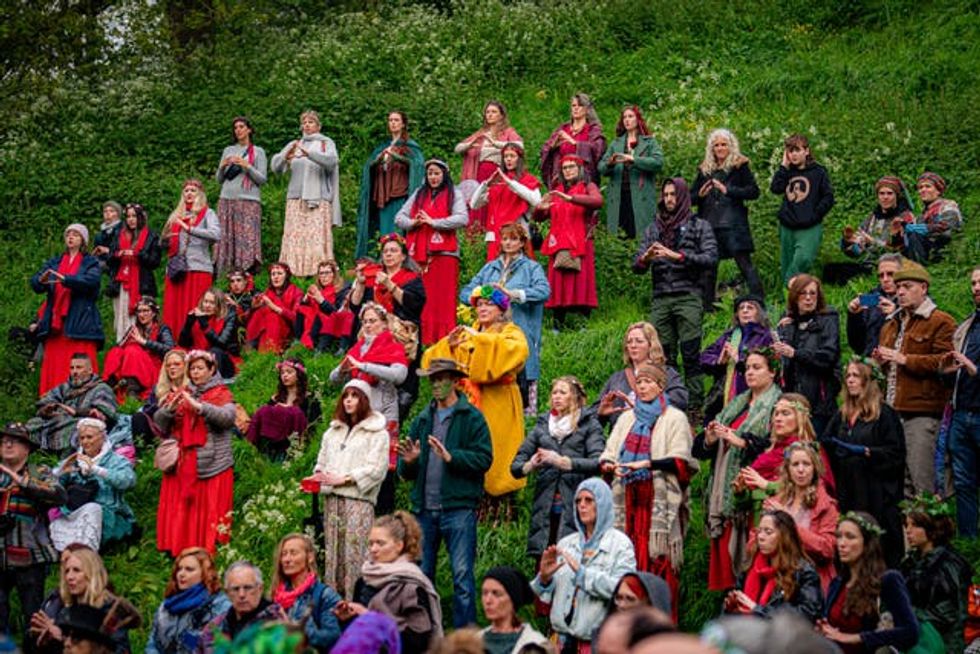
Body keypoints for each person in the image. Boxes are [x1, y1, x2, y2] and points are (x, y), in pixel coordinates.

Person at [397, 358, 492, 628]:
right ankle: (425, 634)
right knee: (422, 576)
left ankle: (466, 639)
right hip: (424, 510)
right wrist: (411, 462)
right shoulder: (423, 418)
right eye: (432, 379)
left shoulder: (471, 417)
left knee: (462, 576)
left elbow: (485, 459)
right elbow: (405, 471)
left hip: (459, 509)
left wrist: (453, 457)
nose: (436, 384)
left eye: (441, 378)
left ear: (454, 380)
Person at [598, 363, 696, 620]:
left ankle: (659, 626)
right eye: (639, 383)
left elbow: (681, 461)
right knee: (627, 563)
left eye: (648, 382)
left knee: (658, 563)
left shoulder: (675, 418)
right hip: (627, 500)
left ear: (660, 386)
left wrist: (648, 464)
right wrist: (610, 465)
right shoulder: (626, 419)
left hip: (657, 503)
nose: (642, 387)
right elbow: (609, 452)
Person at [424, 285, 529, 503]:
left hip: (497, 399)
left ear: (501, 309)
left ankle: (499, 504)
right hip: (466, 401)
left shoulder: (510, 332)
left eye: (489, 304)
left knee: (497, 448)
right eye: (479, 304)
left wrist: (479, 340)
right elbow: (429, 362)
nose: (482, 308)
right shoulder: (466, 332)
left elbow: (516, 352)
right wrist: (449, 346)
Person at [692, 348, 782, 591]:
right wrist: (710, 437)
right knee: (726, 572)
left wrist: (741, 442)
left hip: (748, 498)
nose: (750, 373)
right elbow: (699, 450)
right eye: (748, 368)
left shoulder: (777, 404)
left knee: (746, 562)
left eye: (757, 367)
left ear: (772, 373)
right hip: (723, 489)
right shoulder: (738, 403)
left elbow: (777, 449)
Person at [633, 177, 718, 410]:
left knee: (691, 354)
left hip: (688, 295)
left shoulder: (699, 225)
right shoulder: (654, 228)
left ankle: (695, 407)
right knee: (662, 355)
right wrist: (646, 258)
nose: (669, 199)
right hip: (661, 296)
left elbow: (710, 259)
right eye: (666, 195)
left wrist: (678, 256)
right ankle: (667, 403)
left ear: (682, 197)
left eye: (673, 195)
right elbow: (636, 266)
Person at [873, 258, 955, 496]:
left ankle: (932, 530)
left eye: (907, 286)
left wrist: (904, 359)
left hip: (922, 412)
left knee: (922, 480)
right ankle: (908, 531)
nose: (900, 291)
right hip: (892, 409)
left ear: (924, 288)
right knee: (899, 481)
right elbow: (887, 369)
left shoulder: (941, 321)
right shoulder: (891, 323)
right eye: (898, 287)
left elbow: (946, 361)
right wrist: (880, 362)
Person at [530, 478, 636, 652]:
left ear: (602, 504)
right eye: (578, 501)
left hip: (597, 644)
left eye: (588, 500)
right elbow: (546, 595)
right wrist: (545, 578)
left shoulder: (620, 544)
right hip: (560, 641)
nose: (582, 505)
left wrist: (583, 575)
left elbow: (624, 590)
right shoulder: (565, 544)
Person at [820, 357, 906, 566]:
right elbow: (825, 442)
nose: (850, 380)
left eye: (856, 376)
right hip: (847, 489)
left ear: (869, 381)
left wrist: (867, 452)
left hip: (875, 493)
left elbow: (896, 453)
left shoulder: (885, 415)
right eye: (848, 375)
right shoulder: (841, 415)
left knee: (876, 546)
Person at [310, 379, 388, 598]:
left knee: (355, 555)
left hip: (358, 501)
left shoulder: (378, 433)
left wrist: (345, 479)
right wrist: (318, 476)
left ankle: (357, 603)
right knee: (333, 556)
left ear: (364, 400)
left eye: (354, 396)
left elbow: (377, 469)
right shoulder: (332, 432)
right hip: (332, 500)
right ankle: (334, 606)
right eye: (345, 396)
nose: (349, 400)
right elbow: (321, 462)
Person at [460, 222, 550, 413]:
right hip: (489, 334)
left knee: (522, 375)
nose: (508, 243)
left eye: (514, 239)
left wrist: (512, 294)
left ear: (522, 243)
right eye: (505, 238)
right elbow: (465, 292)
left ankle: (524, 419)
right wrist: (479, 296)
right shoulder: (490, 268)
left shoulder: (531, 267)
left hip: (520, 327)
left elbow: (544, 291)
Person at [512, 376, 604, 560]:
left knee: (571, 560)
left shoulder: (589, 424)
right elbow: (515, 466)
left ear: (575, 397)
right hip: (545, 506)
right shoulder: (542, 425)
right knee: (545, 560)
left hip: (576, 503)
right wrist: (531, 465)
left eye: (563, 392)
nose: (557, 397)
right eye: (554, 392)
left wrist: (564, 462)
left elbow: (598, 462)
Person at [154, 349, 235, 556]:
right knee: (189, 509)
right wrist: (168, 410)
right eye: (192, 369)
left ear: (211, 370)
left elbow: (227, 418)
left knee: (209, 510)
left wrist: (200, 407)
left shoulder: (221, 393)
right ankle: (180, 550)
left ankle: (210, 549)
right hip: (187, 460)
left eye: (200, 368)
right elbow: (161, 426)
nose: (196, 373)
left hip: (215, 461)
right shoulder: (183, 393)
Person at [330, 302, 407, 515]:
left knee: (382, 467)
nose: (368, 325)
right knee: (358, 466)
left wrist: (364, 366)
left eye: (373, 321)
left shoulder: (393, 347)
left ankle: (385, 517)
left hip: (383, 416)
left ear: (384, 324)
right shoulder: (357, 349)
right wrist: (343, 369)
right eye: (364, 322)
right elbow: (333, 379)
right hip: (358, 418)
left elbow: (400, 375)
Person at [335, 512, 443, 654]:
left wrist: (372, 619)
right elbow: (359, 635)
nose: (373, 549)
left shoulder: (412, 585)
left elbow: (419, 641)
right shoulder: (363, 581)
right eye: (371, 543)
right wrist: (346, 619)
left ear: (399, 545)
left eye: (380, 543)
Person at [348, 233, 426, 420]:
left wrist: (389, 284)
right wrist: (359, 282)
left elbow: (414, 305)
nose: (388, 255)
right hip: (376, 335)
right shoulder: (374, 275)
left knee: (400, 380)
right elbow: (355, 305)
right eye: (385, 251)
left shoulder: (412, 278)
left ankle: (397, 412)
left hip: (401, 336)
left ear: (403, 255)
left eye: (393, 251)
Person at [0, 422, 65, 646]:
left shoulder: (40, 472)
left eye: (15, 440)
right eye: (4, 440)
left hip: (31, 555)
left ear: (27, 448)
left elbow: (59, 496)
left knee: (33, 617)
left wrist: (22, 481)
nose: (7, 443)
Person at [818, 512, 919, 653]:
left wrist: (854, 638)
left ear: (867, 543)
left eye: (850, 537)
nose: (841, 543)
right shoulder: (837, 583)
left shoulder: (888, 580)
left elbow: (910, 632)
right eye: (839, 536)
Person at [395, 159, 468, 345]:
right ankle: (423, 339)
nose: (433, 177)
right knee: (423, 299)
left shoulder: (454, 193)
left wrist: (433, 222)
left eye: (437, 173)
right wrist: (414, 223)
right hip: (418, 255)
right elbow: (399, 218)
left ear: (445, 174)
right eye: (430, 174)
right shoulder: (419, 194)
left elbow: (462, 218)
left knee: (442, 301)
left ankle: (445, 340)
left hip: (444, 255)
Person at [691, 128, 764, 308]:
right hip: (709, 224)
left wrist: (728, 190)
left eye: (724, 144)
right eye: (716, 145)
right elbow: (690, 197)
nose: (720, 148)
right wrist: (700, 194)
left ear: (731, 146)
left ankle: (759, 302)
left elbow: (754, 192)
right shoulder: (704, 169)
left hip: (733, 224)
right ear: (711, 148)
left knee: (745, 264)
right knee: (708, 267)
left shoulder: (740, 166)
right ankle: (707, 308)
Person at [31, 223, 104, 396]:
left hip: (80, 319)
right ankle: (52, 402)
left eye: (75, 235)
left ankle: (83, 400)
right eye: (68, 234)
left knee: (78, 360)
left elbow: (92, 282)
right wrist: (40, 280)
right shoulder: (55, 261)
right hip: (56, 324)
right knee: (55, 363)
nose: (70, 237)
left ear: (83, 240)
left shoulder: (90, 262)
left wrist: (66, 279)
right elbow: (35, 281)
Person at [533, 153, 603, 326]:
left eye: (571, 167)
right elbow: (540, 217)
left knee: (581, 282)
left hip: (581, 242)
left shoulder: (588, 186)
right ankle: (558, 323)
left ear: (579, 169)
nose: (567, 170)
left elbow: (597, 201)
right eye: (564, 168)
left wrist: (571, 198)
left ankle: (583, 323)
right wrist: (540, 209)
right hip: (558, 243)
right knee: (558, 283)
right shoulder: (556, 190)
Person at [270, 109, 341, 275]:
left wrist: (309, 154)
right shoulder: (295, 143)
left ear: (318, 125)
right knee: (295, 235)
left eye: (311, 122)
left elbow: (332, 161)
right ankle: (293, 271)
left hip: (318, 198)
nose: (307, 126)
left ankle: (319, 271)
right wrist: (285, 156)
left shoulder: (326, 143)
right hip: (295, 197)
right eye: (304, 123)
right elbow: (275, 167)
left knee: (315, 236)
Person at [48, 418, 135, 552]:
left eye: (89, 437)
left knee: (93, 509)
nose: (85, 441)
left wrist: (98, 470)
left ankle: (88, 556)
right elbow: (52, 482)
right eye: (82, 438)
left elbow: (128, 481)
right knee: (54, 512)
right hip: (74, 508)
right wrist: (60, 473)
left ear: (102, 437)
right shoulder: (74, 459)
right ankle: (67, 554)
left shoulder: (116, 460)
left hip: (107, 513)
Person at [900, 495, 972, 653]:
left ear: (932, 528)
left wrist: (908, 614)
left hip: (940, 643)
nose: (908, 531)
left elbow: (947, 613)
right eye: (907, 525)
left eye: (915, 525)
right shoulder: (910, 562)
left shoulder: (950, 564)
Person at [762, 442, 838, 591]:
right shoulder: (777, 501)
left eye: (806, 464)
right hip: (780, 578)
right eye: (795, 464)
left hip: (813, 582)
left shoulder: (826, 505)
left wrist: (789, 522)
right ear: (788, 470)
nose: (801, 470)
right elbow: (758, 539)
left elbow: (827, 549)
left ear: (815, 468)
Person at [724, 510, 822, 622]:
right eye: (759, 531)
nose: (760, 537)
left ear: (784, 536)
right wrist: (731, 609)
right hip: (748, 633)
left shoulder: (803, 572)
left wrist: (757, 610)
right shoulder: (751, 566)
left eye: (768, 532)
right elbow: (730, 611)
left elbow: (808, 614)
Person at [30, 545, 132, 654]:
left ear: (92, 573)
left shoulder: (111, 609)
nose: (69, 577)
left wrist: (62, 638)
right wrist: (43, 640)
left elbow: (121, 650)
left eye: (76, 570)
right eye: (67, 571)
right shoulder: (62, 606)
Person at [775, 274, 841, 438]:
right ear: (794, 297)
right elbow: (782, 361)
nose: (808, 298)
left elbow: (828, 357)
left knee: (815, 449)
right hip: (791, 398)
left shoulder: (829, 318)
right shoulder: (788, 322)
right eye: (803, 294)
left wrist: (795, 353)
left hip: (819, 400)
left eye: (813, 293)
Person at [356, 110, 426, 258]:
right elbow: (369, 166)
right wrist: (376, 161)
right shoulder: (382, 147)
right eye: (390, 120)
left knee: (397, 229)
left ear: (403, 124)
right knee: (384, 231)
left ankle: (400, 259)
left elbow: (417, 165)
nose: (393, 123)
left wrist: (397, 157)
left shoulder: (410, 147)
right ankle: (383, 259)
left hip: (400, 194)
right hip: (384, 195)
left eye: (396, 120)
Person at [594, 322, 688, 430]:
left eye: (639, 341)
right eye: (629, 342)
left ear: (651, 345)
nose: (633, 345)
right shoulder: (617, 378)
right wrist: (600, 414)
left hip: (655, 438)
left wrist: (645, 406)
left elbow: (680, 400)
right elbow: (593, 420)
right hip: (620, 440)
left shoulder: (666, 373)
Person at [769, 133, 835, 283]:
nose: (793, 155)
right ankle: (788, 298)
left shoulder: (818, 172)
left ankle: (790, 284)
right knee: (787, 263)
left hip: (810, 225)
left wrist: (816, 214)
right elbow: (776, 188)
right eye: (790, 151)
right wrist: (783, 167)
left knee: (803, 259)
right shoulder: (787, 171)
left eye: (797, 150)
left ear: (806, 151)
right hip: (787, 225)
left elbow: (828, 197)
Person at [28, 353, 117, 457]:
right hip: (57, 421)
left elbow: (104, 412)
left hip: (85, 424)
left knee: (77, 428)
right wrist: (47, 410)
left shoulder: (101, 388)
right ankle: (37, 456)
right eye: (72, 368)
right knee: (33, 423)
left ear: (90, 370)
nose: (74, 372)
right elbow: (45, 402)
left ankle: (66, 461)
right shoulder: (65, 388)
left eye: (79, 368)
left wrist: (75, 412)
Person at [700, 296, 773, 422]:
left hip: (753, 394)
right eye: (741, 308)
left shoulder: (766, 336)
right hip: (723, 395)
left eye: (750, 307)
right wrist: (719, 361)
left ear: (759, 313)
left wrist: (739, 359)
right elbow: (703, 358)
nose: (745, 311)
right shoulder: (729, 335)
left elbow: (769, 365)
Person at [161, 179, 220, 334]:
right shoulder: (176, 214)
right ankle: (173, 346)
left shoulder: (208, 213)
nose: (189, 193)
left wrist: (190, 229)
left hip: (198, 268)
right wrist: (167, 239)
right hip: (177, 269)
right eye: (186, 190)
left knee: (195, 308)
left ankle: (197, 345)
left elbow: (216, 234)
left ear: (200, 194)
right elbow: (164, 241)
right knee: (174, 309)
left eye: (193, 190)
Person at [146, 547, 231, 654]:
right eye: (179, 569)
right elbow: (153, 643)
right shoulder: (166, 606)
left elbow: (213, 647)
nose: (181, 574)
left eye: (189, 569)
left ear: (205, 573)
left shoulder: (219, 606)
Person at [598, 105, 664, 240]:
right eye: (624, 117)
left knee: (641, 235)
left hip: (641, 196)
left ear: (638, 119)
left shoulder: (649, 141)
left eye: (630, 116)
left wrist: (634, 159)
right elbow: (601, 167)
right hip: (619, 196)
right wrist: (610, 163)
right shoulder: (616, 144)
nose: (627, 120)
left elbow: (658, 163)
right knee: (619, 235)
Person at [947, 264, 980, 536]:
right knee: (963, 480)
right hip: (961, 412)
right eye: (973, 283)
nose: (977, 288)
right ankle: (969, 540)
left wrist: (974, 369)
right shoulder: (968, 325)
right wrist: (950, 371)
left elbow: (973, 369)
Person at [455, 100, 524, 230]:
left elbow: (519, 146)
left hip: (498, 173)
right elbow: (458, 148)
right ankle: (476, 236)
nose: (490, 115)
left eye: (494, 112)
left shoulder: (507, 132)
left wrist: (495, 143)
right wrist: (471, 144)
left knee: (494, 201)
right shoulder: (481, 133)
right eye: (488, 112)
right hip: (480, 173)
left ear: (501, 115)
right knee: (478, 200)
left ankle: (495, 232)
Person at [268, 534, 342, 652]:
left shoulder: (324, 595)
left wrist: (299, 632)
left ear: (310, 557)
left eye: (293, 553)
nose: (287, 559)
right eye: (284, 554)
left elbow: (332, 637)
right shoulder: (275, 596)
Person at [469, 143, 542, 261]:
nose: (508, 159)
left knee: (519, 275)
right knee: (496, 276)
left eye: (512, 156)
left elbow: (537, 201)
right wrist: (485, 184)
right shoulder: (497, 183)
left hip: (518, 236)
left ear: (519, 159)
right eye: (505, 156)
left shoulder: (527, 179)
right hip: (495, 236)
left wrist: (510, 183)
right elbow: (474, 204)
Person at [215, 115, 268, 274]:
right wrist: (222, 166)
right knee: (226, 236)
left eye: (241, 127)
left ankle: (248, 271)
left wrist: (247, 166)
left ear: (249, 130)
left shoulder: (258, 152)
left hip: (249, 200)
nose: (238, 130)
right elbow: (219, 179)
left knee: (247, 237)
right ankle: (225, 271)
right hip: (227, 199)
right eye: (236, 128)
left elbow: (262, 179)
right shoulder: (228, 150)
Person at [105, 203, 162, 343]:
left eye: (134, 216)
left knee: (142, 316)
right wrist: (119, 254)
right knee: (121, 316)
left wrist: (138, 254)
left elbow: (155, 262)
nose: (131, 219)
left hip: (142, 284)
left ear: (141, 217)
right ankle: (122, 344)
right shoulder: (119, 235)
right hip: (121, 283)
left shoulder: (152, 236)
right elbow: (109, 258)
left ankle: (142, 345)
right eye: (128, 216)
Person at [197, 561, 282, 653]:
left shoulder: (277, 625)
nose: (241, 594)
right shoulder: (213, 629)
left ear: (260, 589)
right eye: (235, 589)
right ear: (227, 593)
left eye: (248, 587)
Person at [247, 358, 321, 461]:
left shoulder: (309, 399)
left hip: (293, 441)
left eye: (289, 372)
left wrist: (290, 410)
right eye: (282, 373)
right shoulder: (276, 398)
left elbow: (312, 424)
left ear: (299, 375)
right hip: (273, 441)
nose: (285, 375)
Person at [102, 296, 175, 401]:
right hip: (133, 364)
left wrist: (144, 342)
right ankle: (109, 385)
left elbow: (170, 349)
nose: (141, 314)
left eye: (145, 311)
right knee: (116, 352)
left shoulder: (162, 329)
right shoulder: (135, 329)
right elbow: (120, 347)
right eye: (139, 311)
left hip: (155, 366)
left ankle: (133, 390)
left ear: (153, 313)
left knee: (132, 349)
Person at [840, 176, 916, 265]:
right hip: (869, 263)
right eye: (882, 193)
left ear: (897, 196)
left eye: (890, 193)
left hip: (893, 266)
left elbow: (903, 252)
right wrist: (849, 242)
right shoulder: (872, 217)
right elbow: (858, 253)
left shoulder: (906, 218)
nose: (885, 197)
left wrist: (873, 242)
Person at [540, 93, 607, 188]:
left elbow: (598, 149)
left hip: (583, 179)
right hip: (562, 178)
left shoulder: (593, 129)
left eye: (580, 105)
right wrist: (552, 147)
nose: (576, 108)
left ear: (587, 109)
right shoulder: (563, 128)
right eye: (574, 105)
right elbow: (545, 149)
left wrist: (575, 143)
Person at [480, 566, 548, 654]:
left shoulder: (535, 644)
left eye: (496, 593)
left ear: (513, 598)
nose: (488, 600)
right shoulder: (473, 642)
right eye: (484, 593)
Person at [844, 254, 901, 357]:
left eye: (890, 274)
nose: (885, 279)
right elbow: (857, 346)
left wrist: (897, 314)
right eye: (881, 275)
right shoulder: (871, 299)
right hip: (871, 360)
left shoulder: (915, 300)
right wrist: (854, 316)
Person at [177, 287, 239, 380]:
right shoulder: (198, 317)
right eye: (205, 302)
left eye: (212, 303)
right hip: (197, 357)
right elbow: (183, 343)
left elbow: (221, 344)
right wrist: (188, 324)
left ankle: (212, 384)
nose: (207, 306)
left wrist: (205, 325)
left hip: (221, 359)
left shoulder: (227, 317)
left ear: (219, 305)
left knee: (215, 352)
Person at [244, 262, 303, 354]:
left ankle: (270, 350)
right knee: (259, 313)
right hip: (267, 327)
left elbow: (296, 318)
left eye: (279, 273)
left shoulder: (296, 292)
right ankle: (254, 347)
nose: (276, 277)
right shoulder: (268, 292)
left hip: (288, 328)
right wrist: (253, 307)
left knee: (272, 316)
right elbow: (248, 317)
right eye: (273, 274)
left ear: (286, 276)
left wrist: (274, 307)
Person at [130, 349, 186, 445]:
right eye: (168, 365)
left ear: (185, 366)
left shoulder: (192, 387)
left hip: (183, 429)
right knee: (138, 418)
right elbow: (148, 411)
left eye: (177, 364)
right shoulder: (159, 388)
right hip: (160, 427)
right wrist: (164, 405)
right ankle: (144, 455)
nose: (172, 367)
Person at [295, 260, 352, 353]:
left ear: (334, 274)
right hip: (315, 322)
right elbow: (305, 306)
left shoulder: (343, 289)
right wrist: (305, 299)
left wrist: (321, 300)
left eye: (327, 273)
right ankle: (298, 339)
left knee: (321, 316)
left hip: (334, 323)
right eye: (321, 273)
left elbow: (337, 312)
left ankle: (319, 348)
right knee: (300, 309)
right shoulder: (319, 288)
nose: (324, 276)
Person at [906, 171, 963, 263]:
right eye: (920, 188)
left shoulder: (948, 205)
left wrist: (919, 228)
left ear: (938, 190)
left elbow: (946, 227)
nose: (923, 190)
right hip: (927, 249)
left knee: (914, 234)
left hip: (945, 248)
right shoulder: (921, 216)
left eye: (928, 186)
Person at [224, 268, 257, 333]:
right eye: (232, 281)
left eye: (239, 280)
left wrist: (234, 305)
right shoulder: (226, 296)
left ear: (245, 281)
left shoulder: (253, 295)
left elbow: (248, 318)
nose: (235, 284)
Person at [91, 201, 123, 267]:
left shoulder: (123, 230)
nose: (108, 213)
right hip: (102, 262)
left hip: (119, 263)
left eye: (111, 211)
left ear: (118, 214)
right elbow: (95, 254)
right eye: (105, 211)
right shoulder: (99, 235)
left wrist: (107, 250)